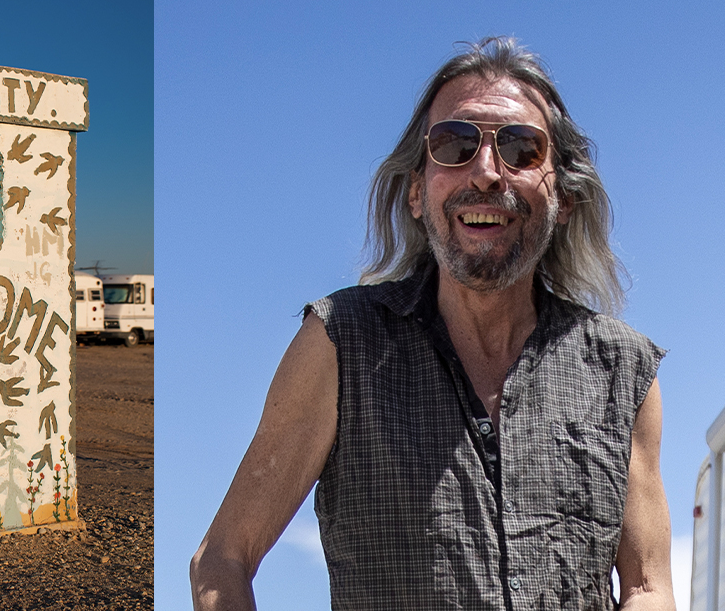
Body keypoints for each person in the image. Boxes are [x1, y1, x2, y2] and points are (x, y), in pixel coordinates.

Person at [189, 37, 674, 610]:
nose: (488, 172)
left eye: (521, 149)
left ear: (563, 197)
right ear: (417, 191)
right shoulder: (341, 341)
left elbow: (647, 586)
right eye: (454, 144)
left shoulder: (622, 371)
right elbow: (223, 559)